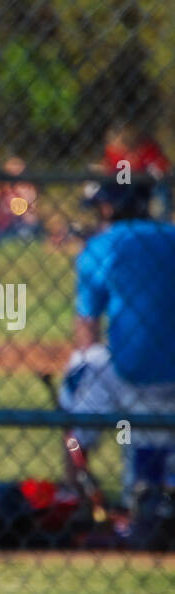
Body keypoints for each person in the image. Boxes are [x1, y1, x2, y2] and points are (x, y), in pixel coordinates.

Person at [60, 180, 175, 505]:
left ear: (110, 208)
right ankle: (150, 490)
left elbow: (87, 330)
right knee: (151, 457)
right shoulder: (172, 236)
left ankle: (74, 484)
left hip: (132, 370)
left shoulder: (102, 246)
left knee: (81, 372)